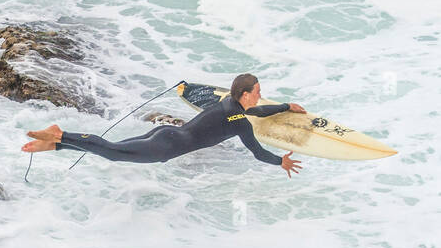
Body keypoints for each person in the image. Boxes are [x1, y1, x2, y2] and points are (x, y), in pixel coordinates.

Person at [21, 73, 305, 177]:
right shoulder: (239, 121)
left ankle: (56, 145)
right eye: (256, 90)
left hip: (165, 134)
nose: (258, 94)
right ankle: (61, 134)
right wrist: (280, 161)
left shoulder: (229, 105)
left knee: (114, 149)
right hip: (168, 145)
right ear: (245, 95)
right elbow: (256, 151)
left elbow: (258, 110)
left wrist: (284, 107)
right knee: (111, 151)